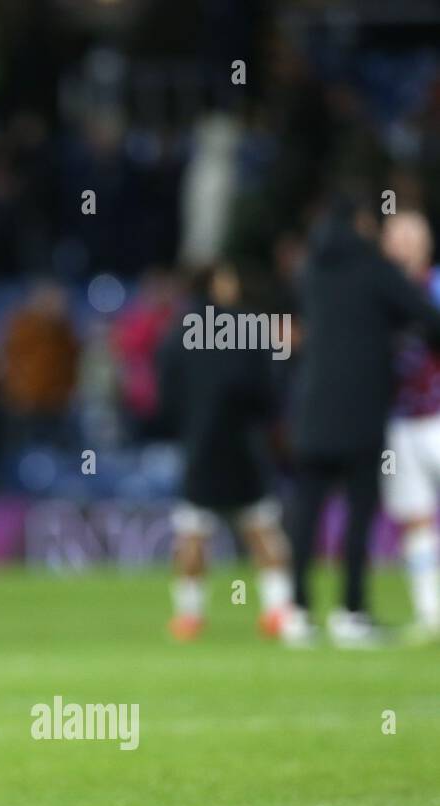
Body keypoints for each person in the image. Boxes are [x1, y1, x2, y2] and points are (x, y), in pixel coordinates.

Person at [286, 192, 440, 647]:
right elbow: (427, 321)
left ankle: (299, 611)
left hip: (314, 411)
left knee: (306, 514)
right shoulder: (377, 273)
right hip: (373, 415)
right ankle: (354, 610)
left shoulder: (312, 271)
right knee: (363, 513)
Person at [155, 264, 292, 640]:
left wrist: (187, 425)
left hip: (200, 444)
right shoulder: (248, 325)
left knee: (192, 531)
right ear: (216, 284)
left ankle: (188, 616)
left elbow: (166, 395)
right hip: (244, 444)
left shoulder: (178, 329)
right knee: (262, 528)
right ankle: (278, 610)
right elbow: (268, 387)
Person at [380, 211, 440, 642]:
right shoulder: (377, 293)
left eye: (409, 237)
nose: (401, 245)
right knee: (415, 518)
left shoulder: (436, 285)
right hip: (399, 421)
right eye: (394, 237)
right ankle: (429, 611)